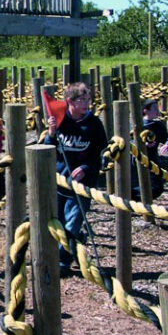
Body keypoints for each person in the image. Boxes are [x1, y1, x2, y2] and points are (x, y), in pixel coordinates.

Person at [43, 82, 107, 269]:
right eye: (81, 100)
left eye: (88, 100)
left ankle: (62, 261)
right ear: (69, 101)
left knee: (72, 223)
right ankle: (77, 240)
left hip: (83, 184)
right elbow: (49, 147)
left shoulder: (94, 124)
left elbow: (100, 154)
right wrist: (51, 133)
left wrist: (86, 167)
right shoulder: (61, 119)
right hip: (61, 181)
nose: (86, 104)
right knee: (60, 223)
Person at [131, 99, 168, 200]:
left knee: (157, 188)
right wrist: (143, 145)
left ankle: (135, 199)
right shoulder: (137, 126)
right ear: (145, 110)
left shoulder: (158, 125)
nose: (157, 111)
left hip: (152, 160)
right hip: (136, 160)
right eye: (154, 108)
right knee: (139, 185)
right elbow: (129, 141)